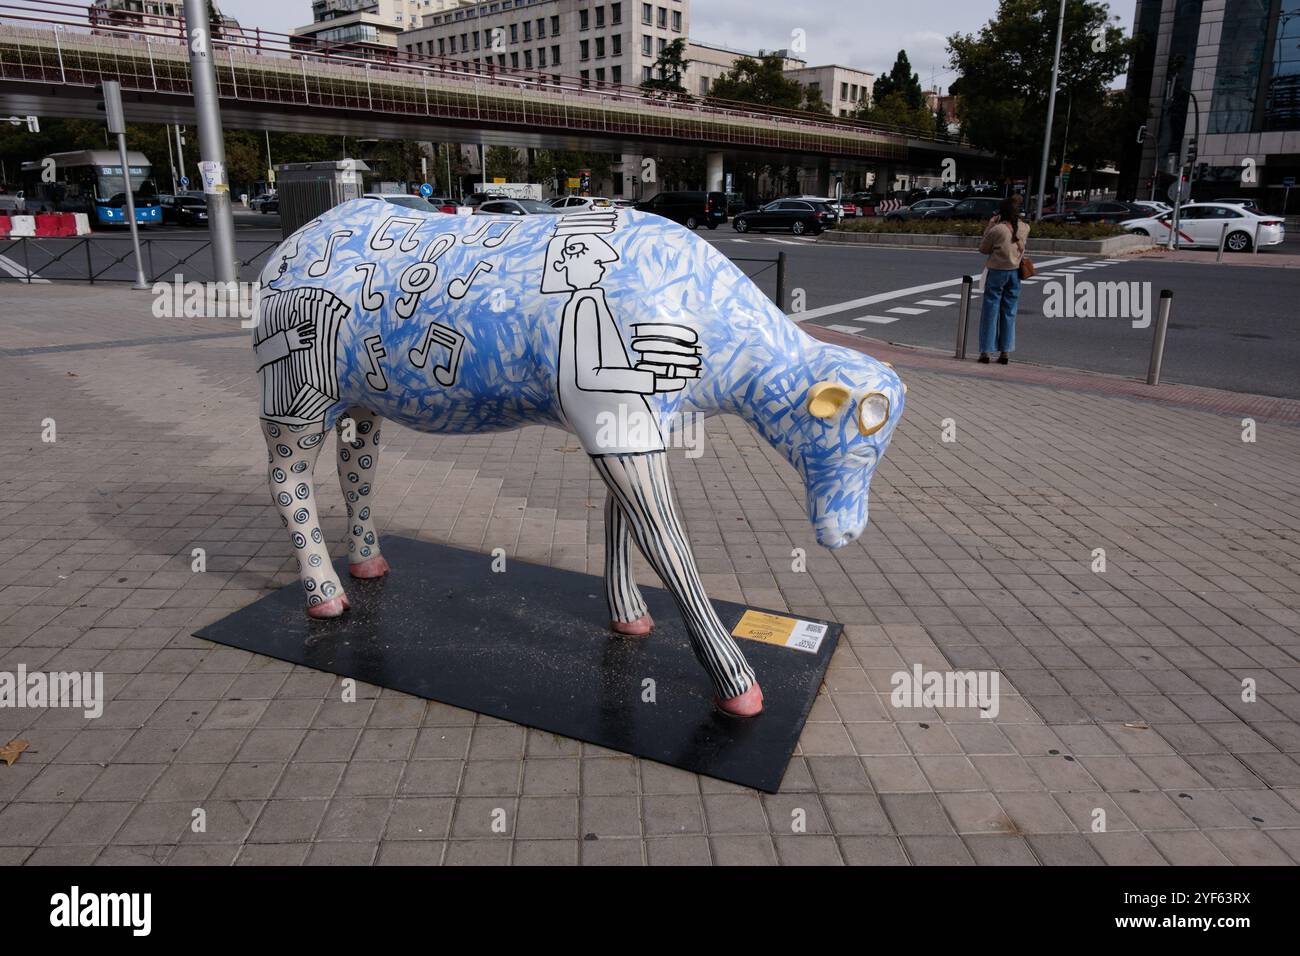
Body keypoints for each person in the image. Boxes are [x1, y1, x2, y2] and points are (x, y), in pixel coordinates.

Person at [977, 197, 1030, 365]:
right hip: (1015, 273)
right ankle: (1005, 352)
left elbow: (983, 249)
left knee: (990, 311)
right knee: (1009, 311)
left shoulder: (998, 229)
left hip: (997, 272)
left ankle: (985, 352)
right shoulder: (1025, 227)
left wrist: (990, 225)